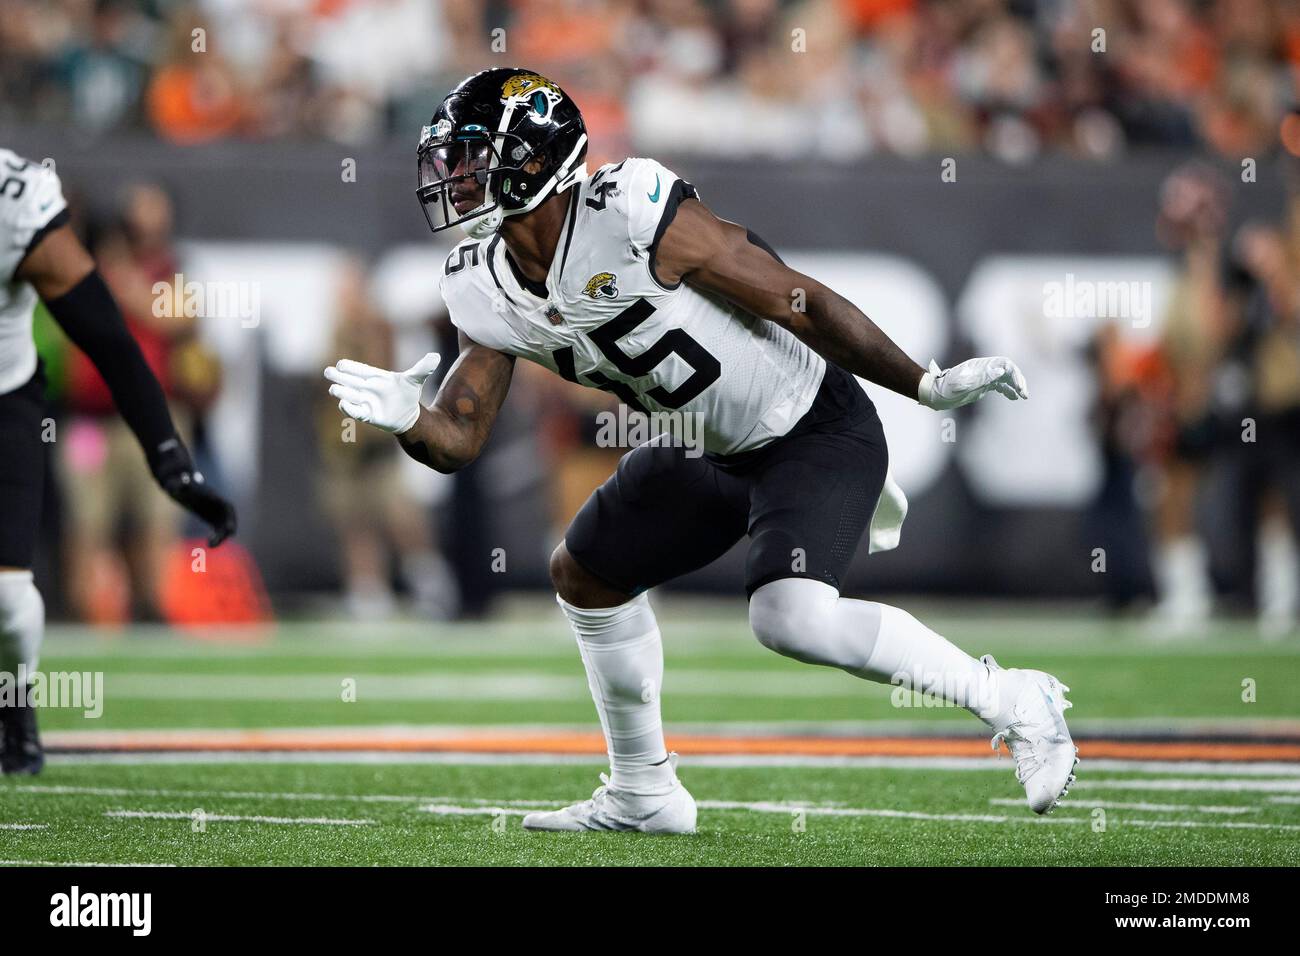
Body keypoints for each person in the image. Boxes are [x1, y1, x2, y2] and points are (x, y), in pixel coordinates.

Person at [324, 69, 1075, 832]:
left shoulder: (630, 212)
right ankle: (643, 791)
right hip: (706, 444)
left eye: (474, 155)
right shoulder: (482, 284)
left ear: (534, 160)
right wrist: (409, 418)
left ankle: (1015, 698)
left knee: (789, 619)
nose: (455, 175)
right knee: (585, 574)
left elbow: (795, 297)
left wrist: (922, 382)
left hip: (811, 427)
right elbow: (459, 436)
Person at [0, 149, 236, 774]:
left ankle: (20, 694)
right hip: (81, 420)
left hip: (37, 409)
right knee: (86, 530)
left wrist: (167, 451)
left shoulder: (17, 202)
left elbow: (118, 336)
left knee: (14, 593)